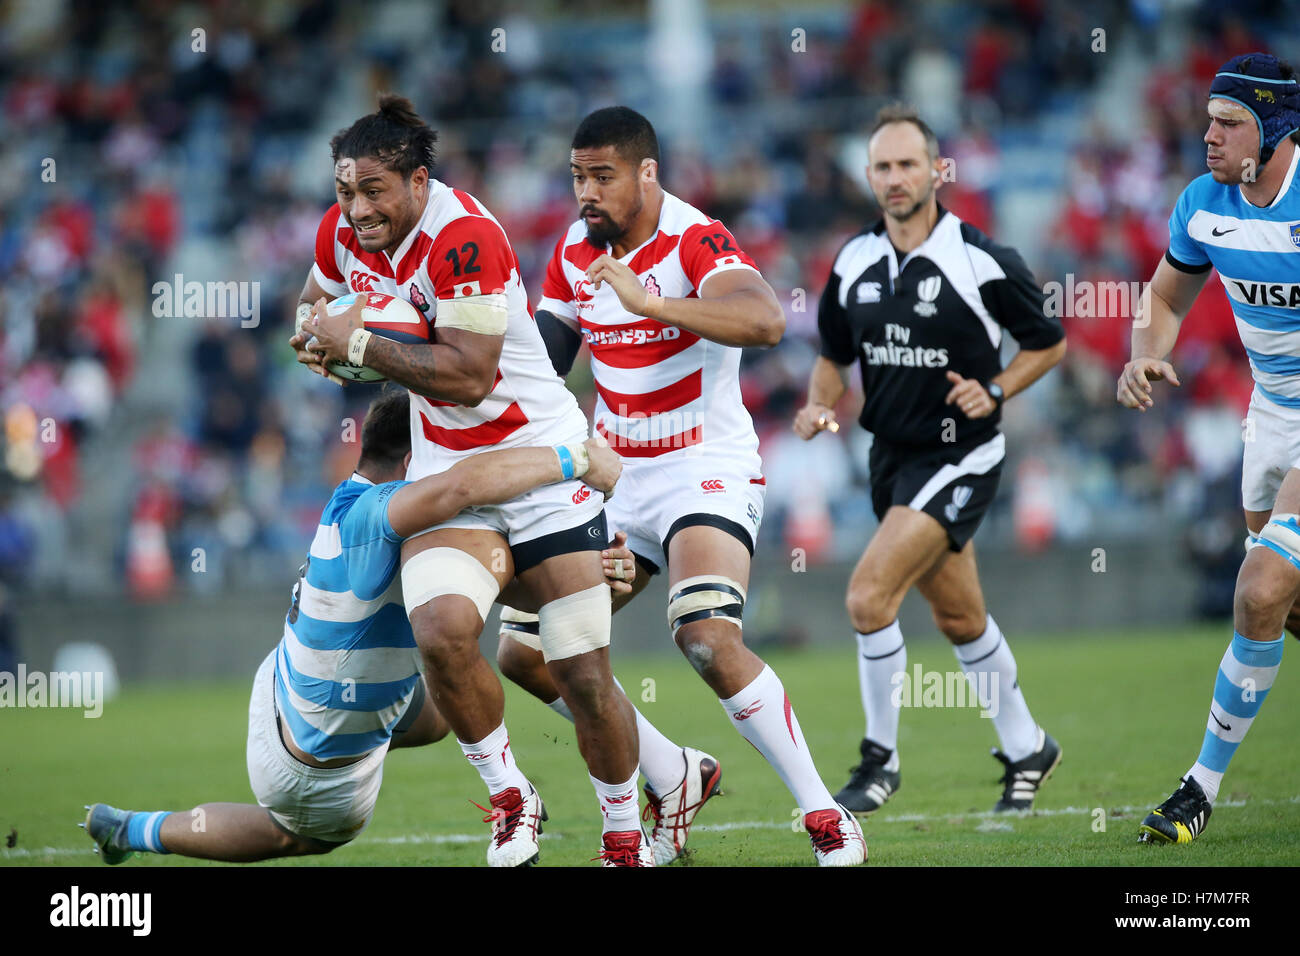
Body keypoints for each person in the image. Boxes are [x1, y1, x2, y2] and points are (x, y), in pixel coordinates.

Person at [495, 106, 866, 866]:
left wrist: (652, 302)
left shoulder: (694, 236)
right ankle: (674, 772)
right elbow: (543, 368)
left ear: (647, 173)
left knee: (702, 633)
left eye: (603, 176)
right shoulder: (573, 249)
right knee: (527, 654)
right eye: (577, 177)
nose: (586, 193)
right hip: (614, 476)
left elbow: (765, 320)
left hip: (704, 464)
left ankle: (828, 817)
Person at [289, 95, 649, 866]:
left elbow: (469, 375)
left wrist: (357, 341)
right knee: (442, 634)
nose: (356, 209)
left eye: (373, 191)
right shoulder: (342, 230)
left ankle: (624, 834)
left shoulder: (467, 236)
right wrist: (312, 336)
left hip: (540, 457)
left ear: (419, 182)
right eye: (346, 192)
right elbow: (316, 302)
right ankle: (513, 796)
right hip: (451, 469)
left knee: (581, 673)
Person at [83, 391, 629, 865]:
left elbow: (492, 574)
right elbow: (462, 487)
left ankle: (503, 786)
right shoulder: (373, 512)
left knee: (447, 701)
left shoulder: (360, 502)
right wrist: (576, 457)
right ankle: (136, 829)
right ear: (416, 454)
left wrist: (587, 570)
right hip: (313, 762)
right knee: (294, 836)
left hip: (290, 688)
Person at [793, 104, 1067, 816]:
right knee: (960, 619)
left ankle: (878, 762)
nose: (894, 177)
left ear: (937, 170)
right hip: (890, 460)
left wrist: (997, 388)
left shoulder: (980, 259)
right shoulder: (853, 260)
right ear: (867, 175)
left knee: (866, 595)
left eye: (908, 163)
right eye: (882, 166)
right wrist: (821, 404)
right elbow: (831, 356)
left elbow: (1048, 341)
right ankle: (1028, 744)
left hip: (961, 456)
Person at [1117, 53, 1300, 845]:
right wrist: (1142, 350)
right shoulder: (1202, 204)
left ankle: (1198, 787)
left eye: (1230, 122)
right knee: (1284, 606)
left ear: (1275, 128)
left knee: (1259, 589)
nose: (1209, 134)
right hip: (1273, 416)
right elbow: (1162, 295)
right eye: (1208, 119)